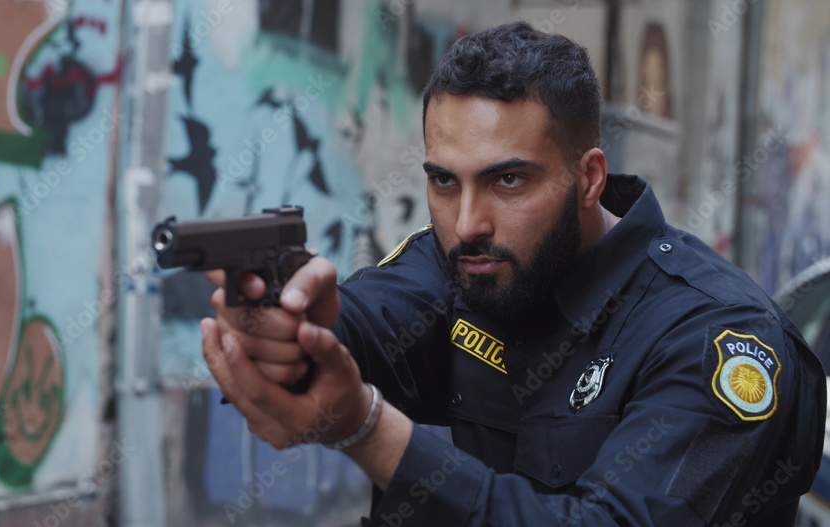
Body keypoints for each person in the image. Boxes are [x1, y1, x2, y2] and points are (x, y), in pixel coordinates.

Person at [199, 22, 826, 526]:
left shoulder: (717, 335)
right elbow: (364, 324)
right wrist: (294, 328)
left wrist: (369, 430)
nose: (468, 221)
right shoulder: (464, 261)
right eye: (444, 181)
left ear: (588, 178)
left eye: (508, 180)